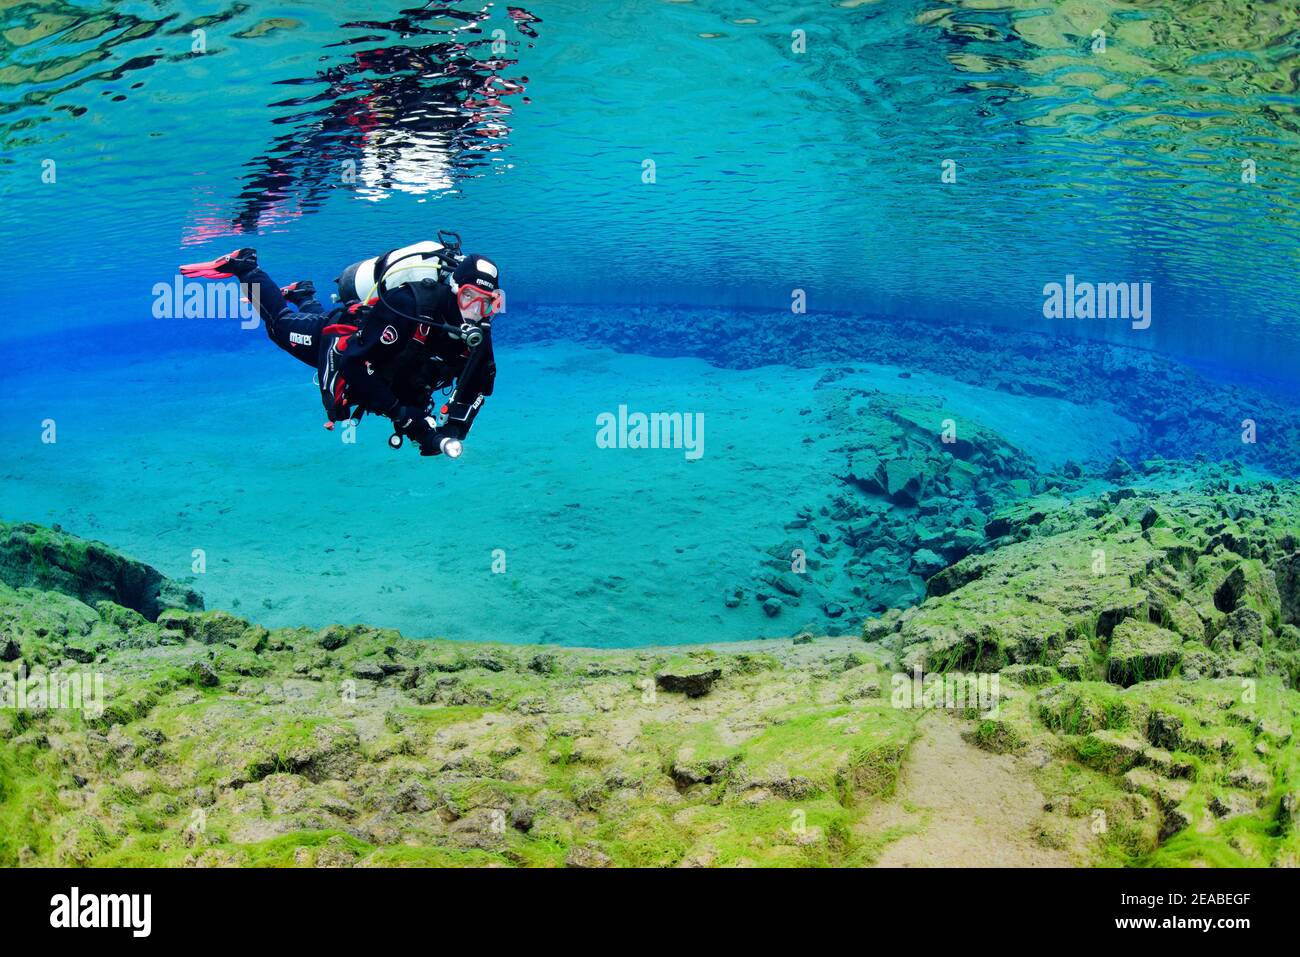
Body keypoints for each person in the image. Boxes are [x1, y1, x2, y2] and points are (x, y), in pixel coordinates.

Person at [179, 240, 502, 457]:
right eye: (468, 298)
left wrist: (454, 430)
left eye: (486, 304)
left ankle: (304, 293)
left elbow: (478, 385)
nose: (474, 311)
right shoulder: (411, 305)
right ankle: (246, 267)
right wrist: (400, 414)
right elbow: (352, 365)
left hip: (372, 343)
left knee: (307, 315)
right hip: (338, 337)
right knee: (280, 326)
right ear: (453, 289)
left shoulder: (477, 330)